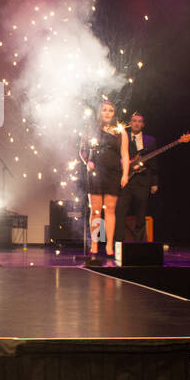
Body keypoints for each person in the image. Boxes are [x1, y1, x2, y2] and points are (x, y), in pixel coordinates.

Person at [78, 100, 129, 260]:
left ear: (114, 113)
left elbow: (125, 155)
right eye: (105, 110)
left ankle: (109, 247)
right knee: (95, 210)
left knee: (111, 210)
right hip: (96, 173)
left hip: (113, 172)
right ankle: (94, 245)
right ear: (100, 112)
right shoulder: (91, 130)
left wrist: (125, 174)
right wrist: (88, 162)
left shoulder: (121, 132)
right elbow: (82, 150)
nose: (107, 113)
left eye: (111, 110)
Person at [114, 112, 158, 243]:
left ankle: (139, 244)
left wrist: (154, 183)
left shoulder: (150, 140)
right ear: (130, 123)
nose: (137, 123)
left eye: (139, 121)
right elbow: (116, 155)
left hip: (143, 181)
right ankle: (119, 244)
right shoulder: (122, 137)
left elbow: (154, 163)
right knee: (120, 212)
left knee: (141, 214)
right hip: (125, 180)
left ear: (143, 124)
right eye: (134, 121)